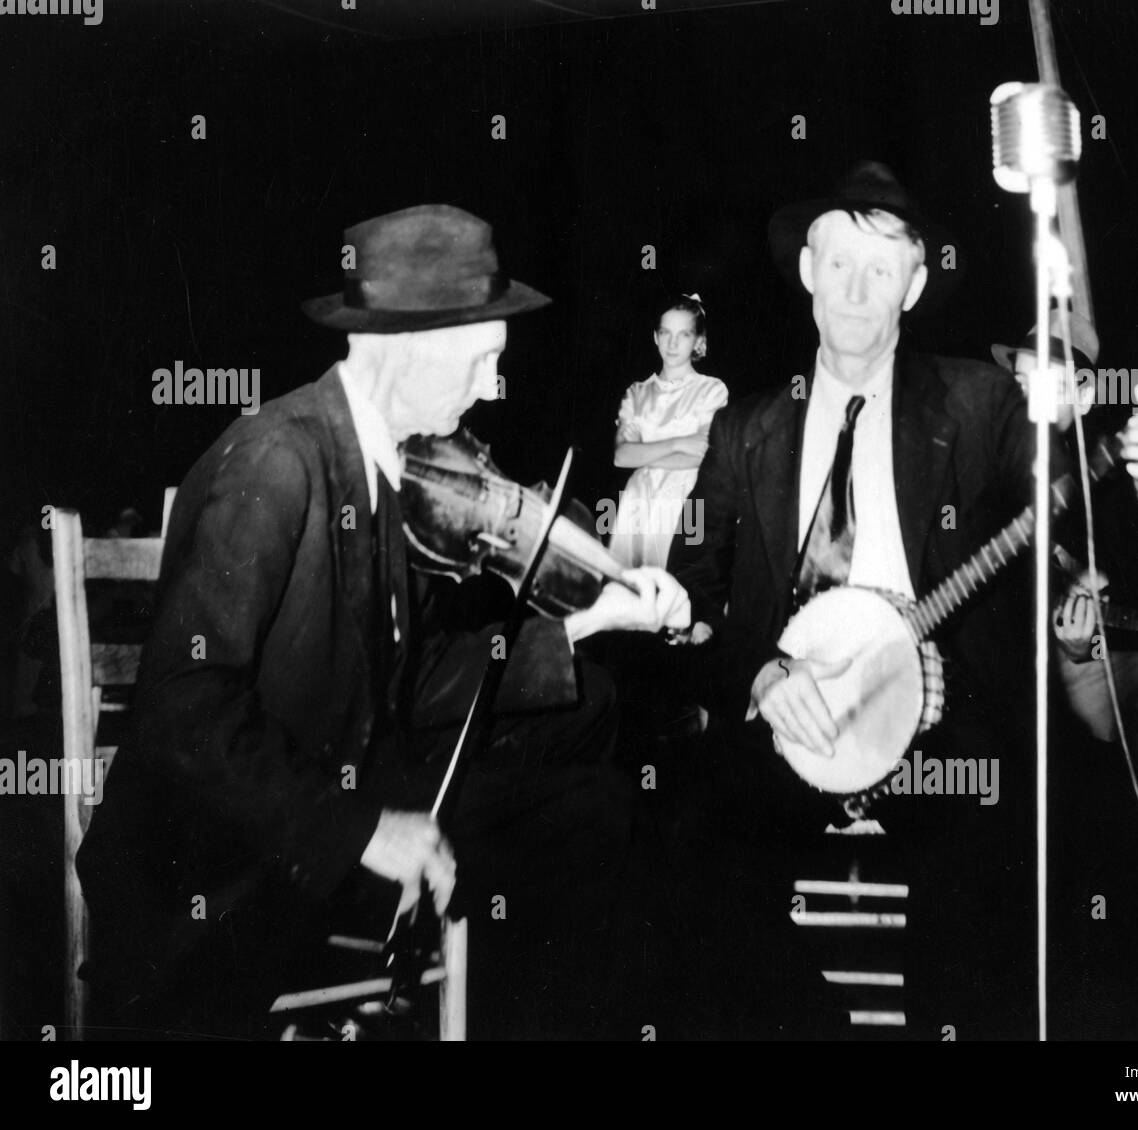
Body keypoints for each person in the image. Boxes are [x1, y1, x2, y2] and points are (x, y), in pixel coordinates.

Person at [77, 204, 690, 1040]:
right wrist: (363, 830)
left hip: (327, 798)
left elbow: (416, 676)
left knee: (597, 783)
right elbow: (182, 709)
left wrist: (587, 624)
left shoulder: (385, 470)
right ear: (401, 348)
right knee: (586, 826)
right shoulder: (279, 458)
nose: (489, 387)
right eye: (479, 362)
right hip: (222, 865)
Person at [669, 162, 1048, 1039]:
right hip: (787, 719)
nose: (855, 289)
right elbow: (690, 596)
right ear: (806, 270)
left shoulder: (983, 404)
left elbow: (1054, 546)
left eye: (882, 269)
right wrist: (761, 676)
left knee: (987, 848)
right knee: (680, 839)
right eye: (838, 263)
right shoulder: (743, 430)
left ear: (914, 285)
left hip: (937, 730)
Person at [991, 311, 1138, 861]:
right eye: (1019, 380)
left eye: (1044, 383)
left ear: (1081, 397)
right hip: (989, 670)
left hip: (1065, 663)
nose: (1024, 396)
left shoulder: (1104, 473)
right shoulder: (987, 446)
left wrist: (1085, 646)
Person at [609, 294, 728, 569]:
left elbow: (705, 454)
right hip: (638, 504)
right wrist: (678, 442)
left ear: (698, 341)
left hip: (689, 504)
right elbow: (622, 457)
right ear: (655, 337)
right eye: (665, 333)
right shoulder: (637, 392)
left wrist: (645, 453)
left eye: (684, 335)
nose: (672, 344)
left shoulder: (712, 390)